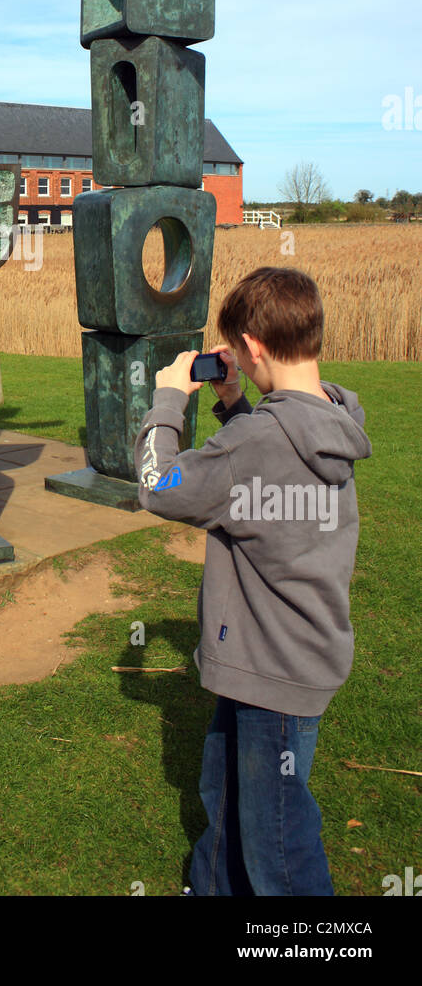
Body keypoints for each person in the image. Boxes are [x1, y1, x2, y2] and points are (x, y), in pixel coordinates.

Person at [133, 266, 372, 897]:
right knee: (228, 798)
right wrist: (235, 403)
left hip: (273, 671)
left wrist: (168, 401)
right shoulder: (332, 417)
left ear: (254, 347)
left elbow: (160, 488)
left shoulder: (260, 440)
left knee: (278, 843)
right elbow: (266, 480)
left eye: (238, 350)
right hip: (283, 657)